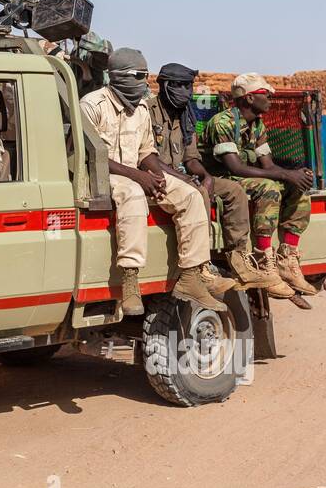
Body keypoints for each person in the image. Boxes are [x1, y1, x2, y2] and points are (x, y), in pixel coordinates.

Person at [79, 49, 227, 316]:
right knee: (133, 193)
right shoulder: (93, 105)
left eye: (146, 77)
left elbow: (146, 152)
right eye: (139, 76)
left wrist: (157, 176)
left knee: (191, 195)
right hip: (102, 174)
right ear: (119, 75)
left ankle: (191, 276)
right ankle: (130, 279)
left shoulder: (141, 109)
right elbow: (94, 156)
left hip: (137, 172)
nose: (144, 83)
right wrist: (139, 177)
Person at [148, 63, 273, 293]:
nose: (185, 91)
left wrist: (204, 174)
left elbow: (191, 158)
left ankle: (238, 258)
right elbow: (148, 158)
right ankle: (201, 265)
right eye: (179, 86)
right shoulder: (147, 111)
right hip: (155, 176)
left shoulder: (185, 113)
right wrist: (188, 180)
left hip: (181, 174)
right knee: (199, 193)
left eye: (188, 86)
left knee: (233, 191)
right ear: (165, 86)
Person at [200, 73, 317, 305]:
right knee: (270, 188)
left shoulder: (257, 125)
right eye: (265, 94)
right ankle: (264, 260)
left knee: (298, 188)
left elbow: (268, 165)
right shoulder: (223, 122)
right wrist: (284, 174)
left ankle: (287, 260)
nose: (270, 99)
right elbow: (235, 167)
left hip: (242, 176)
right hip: (222, 179)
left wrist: (295, 176)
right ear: (249, 98)